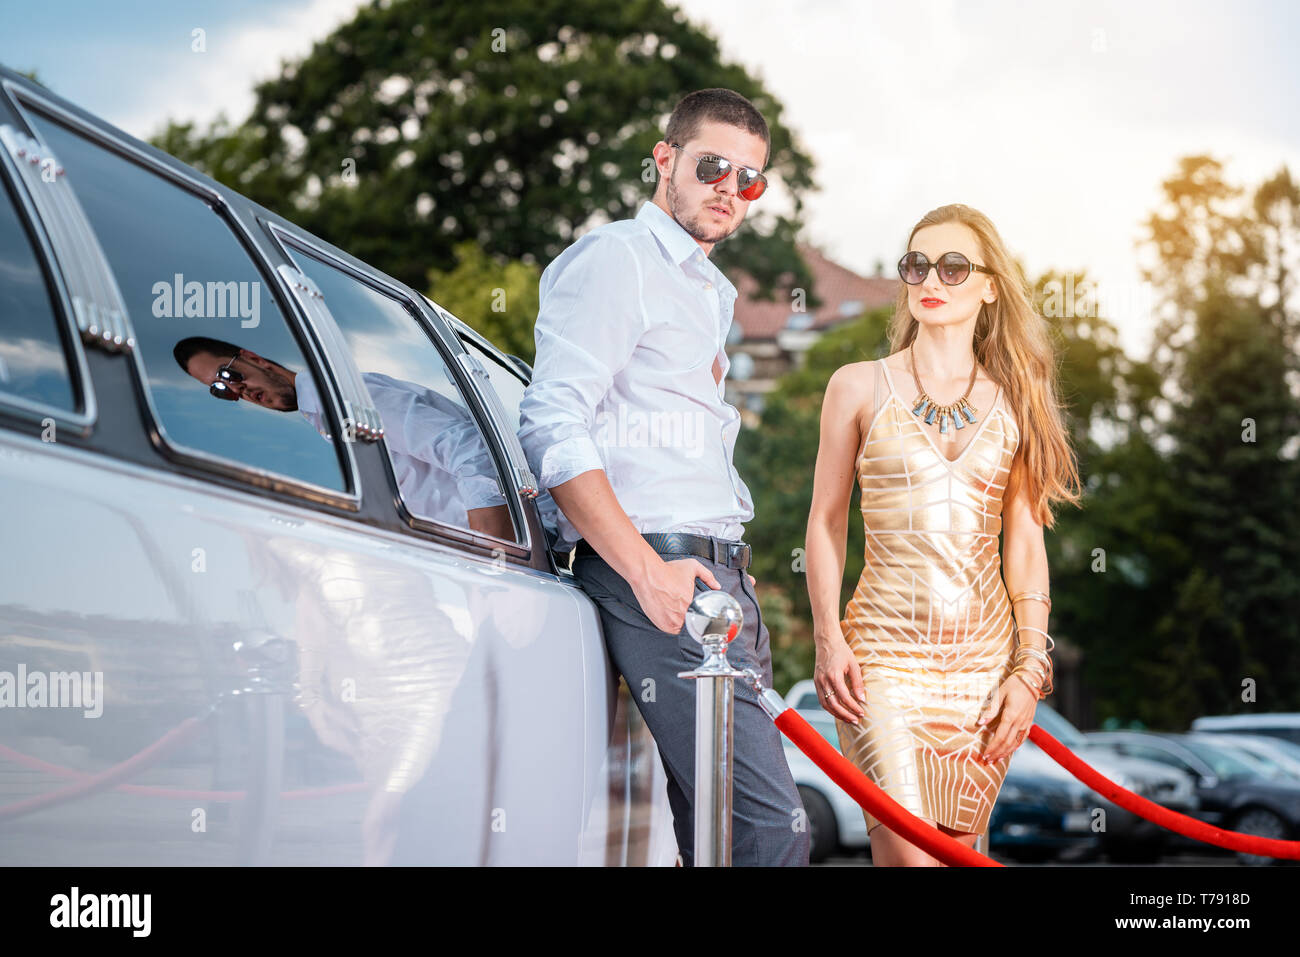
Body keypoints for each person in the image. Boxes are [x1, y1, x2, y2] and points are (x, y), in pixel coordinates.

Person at [517, 88, 809, 866]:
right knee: (771, 830)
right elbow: (551, 421)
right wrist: (646, 572)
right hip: (658, 572)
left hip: (720, 580)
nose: (729, 188)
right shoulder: (618, 258)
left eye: (750, 179)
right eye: (713, 165)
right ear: (665, 159)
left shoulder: (709, 291)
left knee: (711, 837)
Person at [804, 204, 1082, 866]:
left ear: (989, 284)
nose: (933, 277)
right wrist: (827, 636)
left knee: (959, 856)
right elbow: (824, 521)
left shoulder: (1020, 396)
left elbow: (1024, 543)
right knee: (909, 857)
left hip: (983, 671)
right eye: (917, 264)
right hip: (881, 661)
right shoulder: (856, 385)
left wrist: (1029, 664)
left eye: (955, 266)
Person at [173, 335, 514, 539]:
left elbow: (469, 450)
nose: (238, 389)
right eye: (221, 391)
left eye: (229, 374)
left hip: (528, 552)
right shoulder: (324, 420)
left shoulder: (343, 398)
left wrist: (496, 557)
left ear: (253, 358)